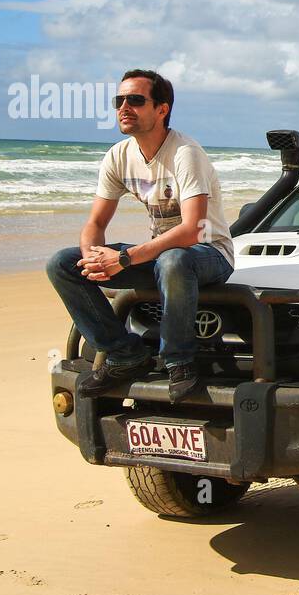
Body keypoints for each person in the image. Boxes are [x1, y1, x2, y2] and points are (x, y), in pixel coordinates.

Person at [45, 69, 235, 403]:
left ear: (162, 109)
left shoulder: (185, 153)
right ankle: (123, 354)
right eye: (119, 101)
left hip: (209, 255)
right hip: (158, 259)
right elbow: (95, 222)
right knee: (63, 263)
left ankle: (179, 362)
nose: (124, 108)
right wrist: (93, 257)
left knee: (174, 259)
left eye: (135, 100)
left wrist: (122, 259)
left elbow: (192, 231)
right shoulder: (119, 156)